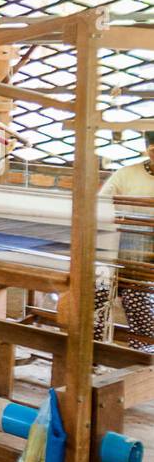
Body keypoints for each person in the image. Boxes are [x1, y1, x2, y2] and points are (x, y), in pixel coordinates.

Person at [94, 130, 154, 352]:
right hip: (116, 250)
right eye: (153, 150)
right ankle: (95, 350)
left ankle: (143, 356)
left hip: (146, 259)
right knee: (97, 294)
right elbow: (101, 205)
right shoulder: (126, 174)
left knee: (140, 301)